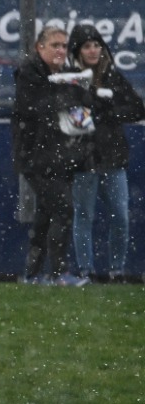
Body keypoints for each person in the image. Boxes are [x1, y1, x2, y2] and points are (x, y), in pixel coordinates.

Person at [10, 26, 93, 284]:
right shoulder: (29, 72)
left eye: (63, 46)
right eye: (55, 45)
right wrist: (67, 94)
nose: (60, 50)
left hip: (60, 154)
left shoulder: (66, 74)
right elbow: (37, 107)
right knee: (63, 209)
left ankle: (32, 274)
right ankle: (58, 273)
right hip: (36, 155)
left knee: (46, 213)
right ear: (40, 47)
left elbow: (82, 104)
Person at [67, 23, 139, 283]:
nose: (94, 50)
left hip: (112, 155)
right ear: (78, 50)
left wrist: (109, 110)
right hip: (84, 157)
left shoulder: (112, 76)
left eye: (96, 45)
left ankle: (116, 270)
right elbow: (74, 118)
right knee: (84, 215)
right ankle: (86, 270)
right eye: (87, 46)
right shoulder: (71, 80)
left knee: (120, 215)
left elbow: (137, 108)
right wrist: (99, 108)